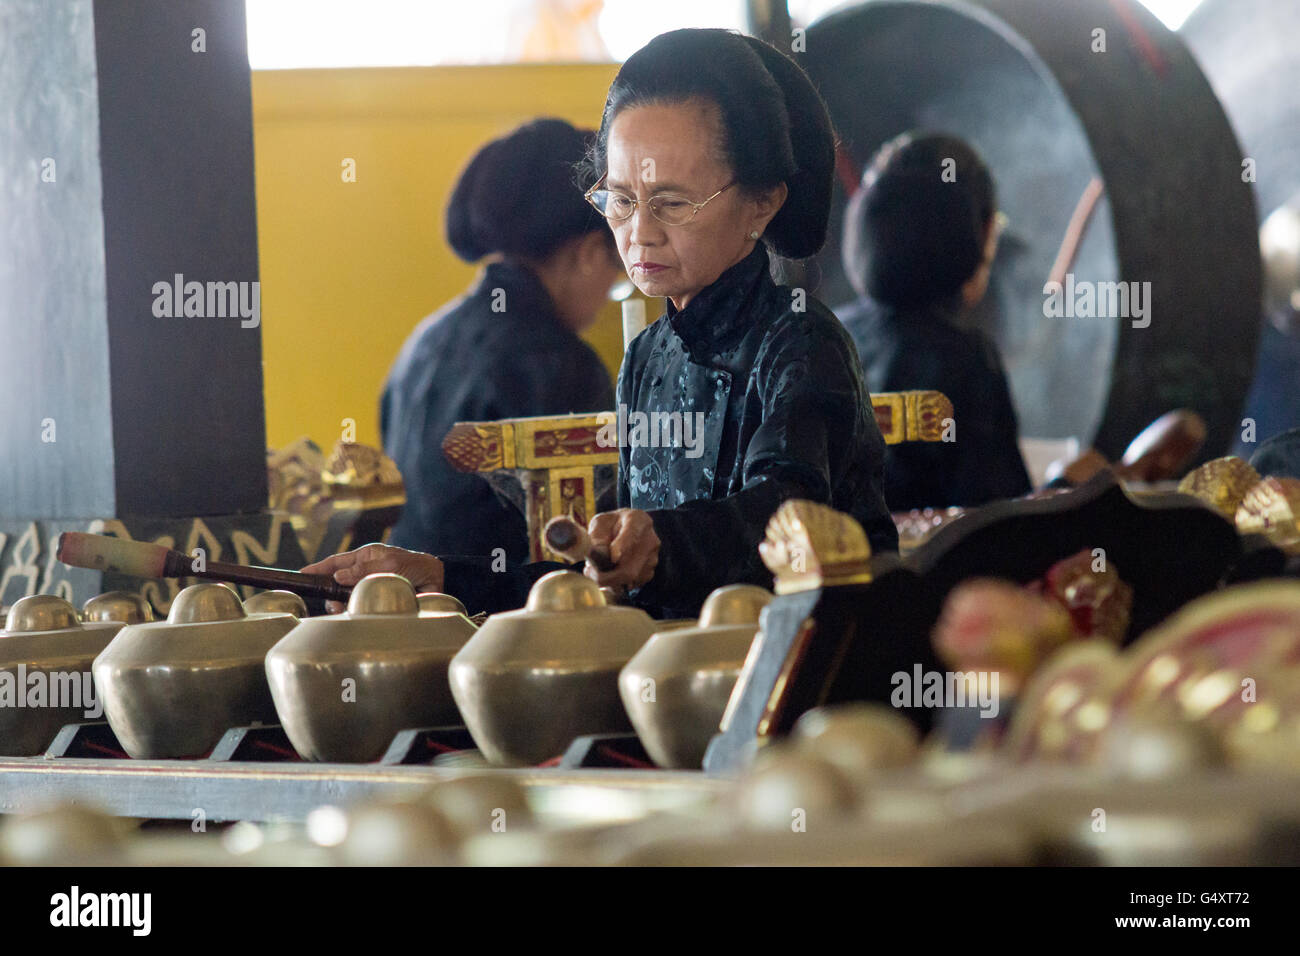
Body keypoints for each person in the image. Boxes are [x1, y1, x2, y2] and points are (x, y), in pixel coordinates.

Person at [309, 29, 898, 618]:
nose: (639, 232)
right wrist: (443, 577)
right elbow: (603, 570)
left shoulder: (798, 341)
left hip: (800, 671)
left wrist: (658, 541)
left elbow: (786, 512)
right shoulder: (647, 358)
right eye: (619, 199)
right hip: (673, 675)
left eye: (669, 202)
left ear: (762, 201)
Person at [380, 118, 624, 561]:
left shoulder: (426, 340)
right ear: (589, 253)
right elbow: (579, 553)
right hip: (505, 620)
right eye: (618, 271)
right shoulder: (558, 363)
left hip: (409, 610)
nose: (611, 293)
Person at [836, 133, 1032, 511]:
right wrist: (1069, 484)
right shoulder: (968, 360)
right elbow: (999, 526)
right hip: (923, 571)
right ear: (981, 230)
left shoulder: (824, 336)